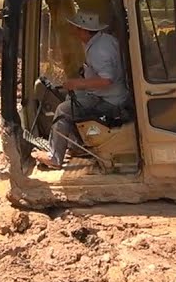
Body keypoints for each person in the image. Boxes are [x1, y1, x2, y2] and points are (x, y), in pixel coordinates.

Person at [31, 10, 129, 170]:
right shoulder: (106, 40)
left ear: (84, 30)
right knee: (73, 100)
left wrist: (76, 83)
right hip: (114, 94)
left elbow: (106, 79)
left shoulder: (98, 51)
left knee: (63, 110)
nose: (74, 31)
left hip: (109, 101)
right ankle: (75, 146)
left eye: (76, 28)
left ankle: (54, 157)